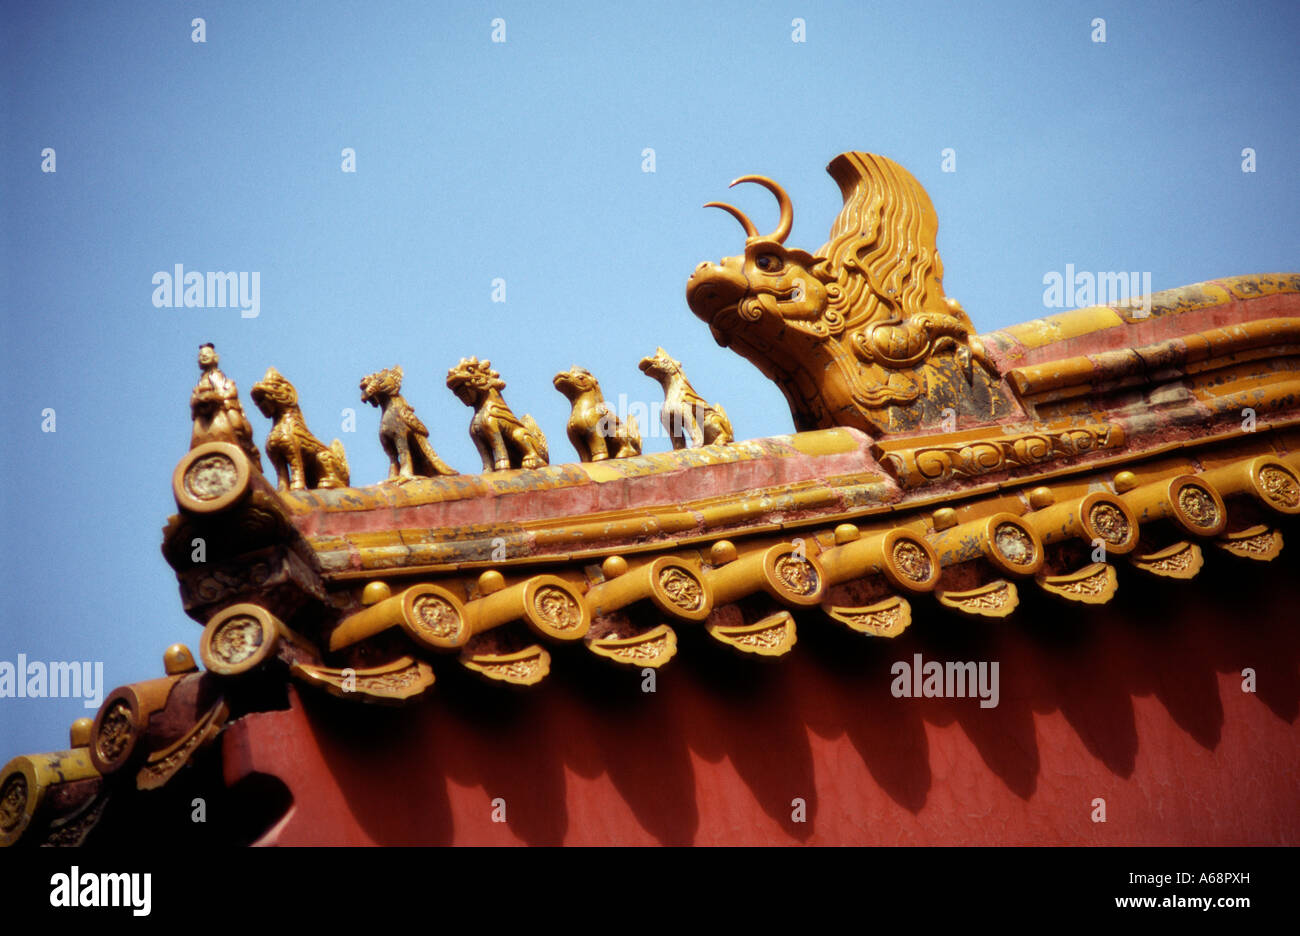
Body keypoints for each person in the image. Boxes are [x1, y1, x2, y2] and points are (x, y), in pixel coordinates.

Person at [189, 343, 262, 467]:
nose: (203, 356)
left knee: (236, 423)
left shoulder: (219, 377)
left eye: (207, 354)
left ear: (215, 357)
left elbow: (231, 391)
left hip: (226, 406)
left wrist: (219, 396)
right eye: (200, 355)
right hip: (206, 409)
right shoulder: (201, 381)